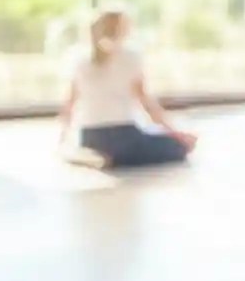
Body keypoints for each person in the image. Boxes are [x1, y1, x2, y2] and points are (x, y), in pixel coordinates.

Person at [57, 9, 197, 169]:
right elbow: (146, 103)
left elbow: (69, 103)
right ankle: (112, 158)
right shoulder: (131, 57)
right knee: (179, 147)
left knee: (145, 135)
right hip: (124, 136)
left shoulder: (78, 59)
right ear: (123, 29)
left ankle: (95, 156)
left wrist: (63, 137)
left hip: (90, 137)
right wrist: (177, 134)